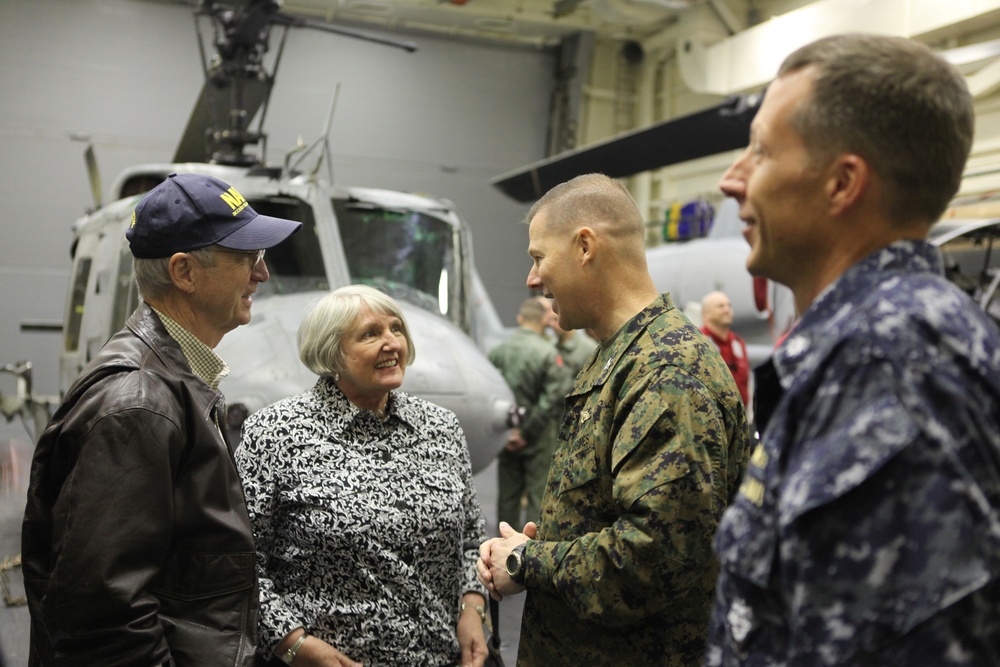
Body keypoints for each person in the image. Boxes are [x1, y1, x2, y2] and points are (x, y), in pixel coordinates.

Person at [708, 34, 1000, 666]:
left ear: (842, 184)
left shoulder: (890, 364)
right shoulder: (873, 346)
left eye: (760, 150)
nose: (731, 179)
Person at [21, 172, 302, 666]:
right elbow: (104, 617)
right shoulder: (139, 403)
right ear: (184, 272)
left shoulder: (172, 380)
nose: (262, 274)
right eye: (247, 257)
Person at [478, 173, 750, 666]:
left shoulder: (666, 372)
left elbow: (652, 560)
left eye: (539, 257)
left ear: (585, 246)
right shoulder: (619, 358)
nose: (532, 279)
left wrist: (526, 561)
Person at [236, 284, 490, 667]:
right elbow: (240, 562)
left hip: (440, 658)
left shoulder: (441, 428)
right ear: (331, 352)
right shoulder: (275, 433)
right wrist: (293, 644)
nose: (392, 343)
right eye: (371, 334)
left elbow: (471, 539)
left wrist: (473, 606)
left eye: (396, 329)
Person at [488, 296, 572, 528]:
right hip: (539, 436)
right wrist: (526, 431)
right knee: (538, 496)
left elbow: (488, 393)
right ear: (544, 320)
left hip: (506, 436)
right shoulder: (547, 353)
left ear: (520, 318)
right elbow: (554, 396)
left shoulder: (497, 352)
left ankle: (502, 548)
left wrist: (511, 432)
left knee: (508, 497)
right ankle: (529, 552)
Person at [699, 291, 750, 407]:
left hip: (740, 417)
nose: (727, 310)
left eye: (729, 305)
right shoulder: (699, 341)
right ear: (706, 313)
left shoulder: (738, 342)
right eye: (720, 306)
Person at [541, 298, 598, 377]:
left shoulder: (587, 348)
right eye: (550, 320)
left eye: (555, 319)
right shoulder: (552, 346)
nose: (552, 325)